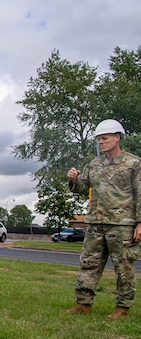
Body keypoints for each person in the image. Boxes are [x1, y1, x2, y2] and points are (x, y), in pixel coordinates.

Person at [63, 119, 141, 320]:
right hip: (96, 222)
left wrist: (140, 223)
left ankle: (123, 308)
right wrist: (73, 179)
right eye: (99, 139)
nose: (101, 142)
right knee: (89, 264)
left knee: (123, 266)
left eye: (105, 138)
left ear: (117, 137)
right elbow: (81, 188)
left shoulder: (133, 164)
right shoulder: (94, 165)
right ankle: (83, 304)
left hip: (122, 224)